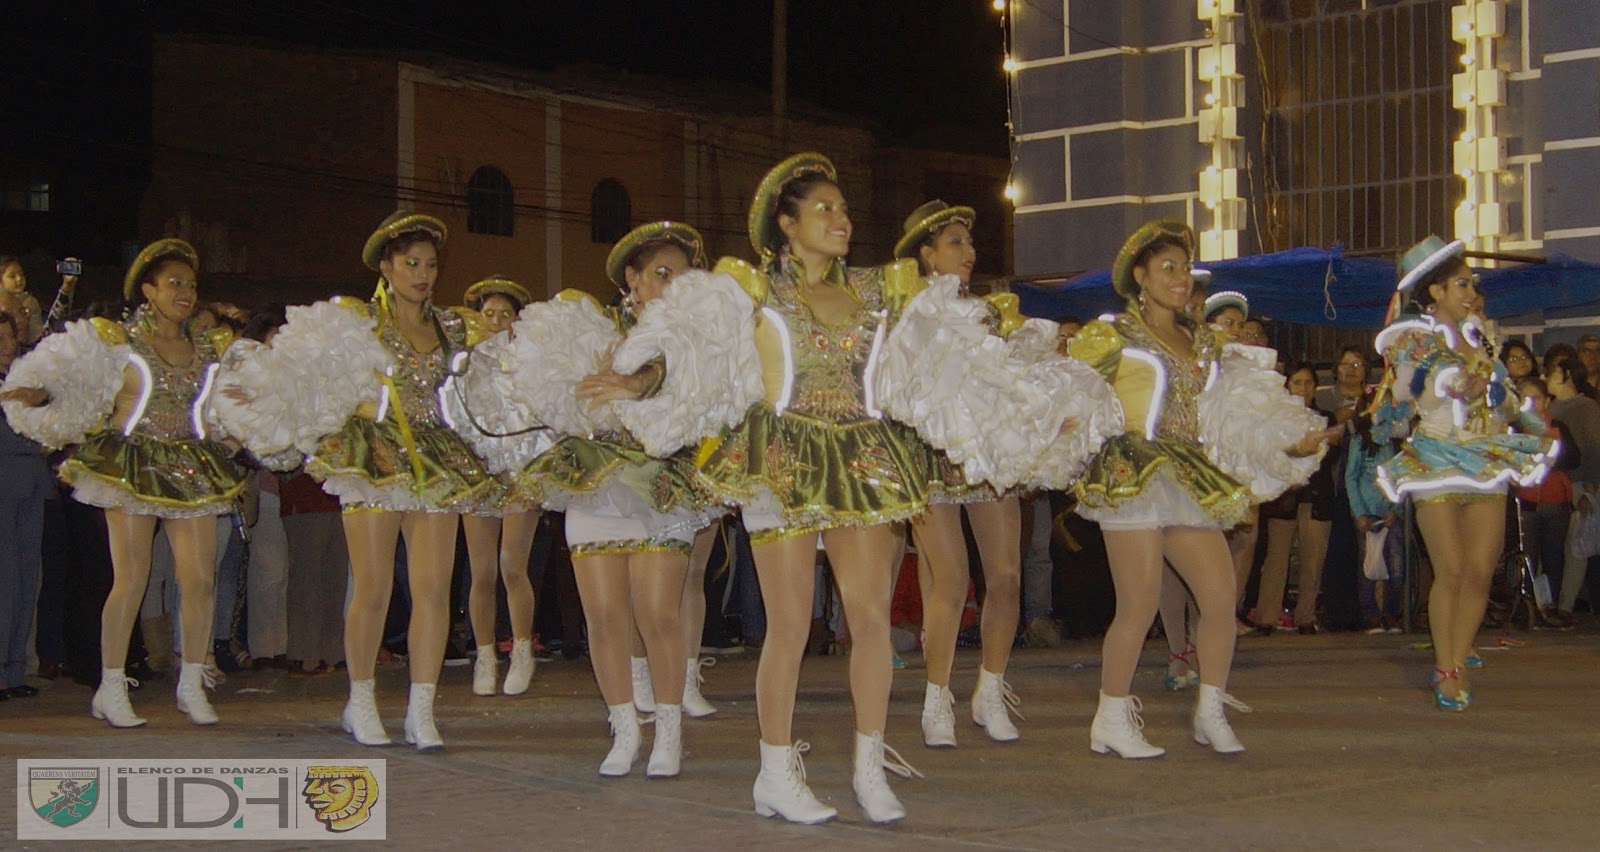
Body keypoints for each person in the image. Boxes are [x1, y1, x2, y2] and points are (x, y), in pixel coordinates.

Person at [696, 154, 934, 824]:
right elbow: (692, 358)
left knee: (871, 618)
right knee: (791, 624)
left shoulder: (880, 290)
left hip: (861, 457)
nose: (841, 219)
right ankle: (775, 774)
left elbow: (938, 364)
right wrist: (633, 381)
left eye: (844, 208)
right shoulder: (751, 291)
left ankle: (869, 768)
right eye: (824, 208)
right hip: (782, 456)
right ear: (786, 222)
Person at [218, 212, 494, 749]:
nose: (422, 274)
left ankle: (422, 709)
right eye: (411, 263)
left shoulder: (454, 328)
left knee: (433, 589)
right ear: (386, 267)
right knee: (372, 587)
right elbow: (308, 379)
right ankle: (361, 700)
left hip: (436, 462)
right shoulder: (356, 322)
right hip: (374, 457)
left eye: (430, 265)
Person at [1067, 220, 1332, 757]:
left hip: (1188, 473)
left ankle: (1209, 711)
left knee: (1218, 598)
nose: (1181, 278)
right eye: (1167, 267)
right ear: (1141, 277)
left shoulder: (1205, 342)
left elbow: (1238, 414)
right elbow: (1070, 395)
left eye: (1185, 268)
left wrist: (1290, 442)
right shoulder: (1112, 335)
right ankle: (1110, 718)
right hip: (1132, 471)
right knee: (1138, 603)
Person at [505, 220, 728, 778]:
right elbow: (569, 401)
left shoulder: (697, 343)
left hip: (662, 486)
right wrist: (593, 387)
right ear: (632, 278)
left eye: (682, 277)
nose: (672, 286)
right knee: (604, 617)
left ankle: (668, 733)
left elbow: (694, 399)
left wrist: (634, 385)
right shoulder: (592, 335)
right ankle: (625, 730)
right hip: (596, 484)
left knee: (658, 614)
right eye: (661, 274)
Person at [1, 239, 247, 726]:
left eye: (191, 283)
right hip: (132, 463)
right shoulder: (117, 342)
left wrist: (238, 432)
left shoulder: (209, 346)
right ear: (148, 290)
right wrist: (32, 393)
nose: (185, 291)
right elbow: (71, 379)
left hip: (192, 465)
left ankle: (191, 682)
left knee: (199, 580)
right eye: (173, 282)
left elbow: (226, 403)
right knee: (131, 578)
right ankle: (111, 687)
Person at [1372, 236, 1554, 710]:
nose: (1472, 293)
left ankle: (1457, 655)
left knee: (1479, 572)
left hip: (1485, 462)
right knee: (1450, 570)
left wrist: (1523, 416)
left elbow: (1505, 399)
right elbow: (1418, 393)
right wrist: (1457, 384)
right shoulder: (1417, 340)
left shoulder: (1482, 339)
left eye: (1473, 284)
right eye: (1461, 284)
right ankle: (1445, 667)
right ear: (1435, 292)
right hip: (1436, 463)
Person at [893, 200, 1025, 748]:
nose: (968, 252)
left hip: (986, 456)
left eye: (969, 242)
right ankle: (937, 696)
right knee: (950, 578)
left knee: (1007, 575)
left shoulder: (992, 313)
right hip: (930, 455)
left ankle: (990, 690)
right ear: (926, 254)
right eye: (954, 242)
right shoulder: (907, 314)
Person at [458, 276, 543, 697]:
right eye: (488, 314)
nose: (495, 322)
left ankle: (522, 650)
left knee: (512, 564)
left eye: (504, 314)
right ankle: (485, 655)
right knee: (482, 572)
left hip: (521, 470)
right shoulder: (463, 365)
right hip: (478, 472)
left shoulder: (529, 364)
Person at [1254, 361, 1339, 635]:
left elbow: (1331, 456)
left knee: (1313, 558)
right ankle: (1267, 617)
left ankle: (1306, 616)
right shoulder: (1277, 419)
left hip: (1316, 496)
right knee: (1276, 558)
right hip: (1283, 497)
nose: (1303, 389)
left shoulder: (1326, 418)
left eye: (1308, 383)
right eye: (1297, 383)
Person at [0, 307, 53, 699]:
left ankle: (15, 668)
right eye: (0, 338)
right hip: (5, 476)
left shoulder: (26, 377)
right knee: (5, 576)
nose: (8, 344)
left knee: (27, 576)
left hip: (34, 479)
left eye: (10, 335)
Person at [1546, 359, 1600, 615]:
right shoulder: (1549, 408)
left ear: (1565, 375)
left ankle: (1565, 605)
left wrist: (1590, 489)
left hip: (1579, 483)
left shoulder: (1585, 407)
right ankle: (1550, 602)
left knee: (1577, 545)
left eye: (1552, 372)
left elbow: (1594, 450)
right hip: (1553, 483)